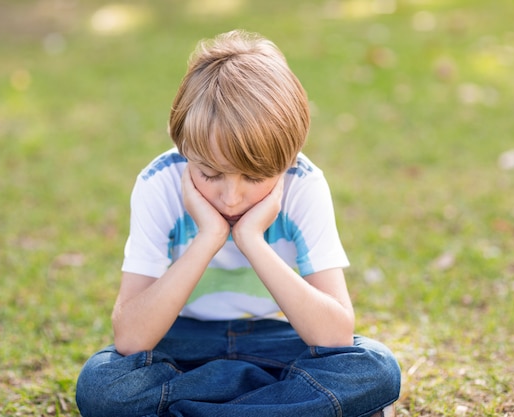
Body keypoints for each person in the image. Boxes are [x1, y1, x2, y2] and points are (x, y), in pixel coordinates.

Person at [76, 29, 401, 417]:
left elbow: (334, 336)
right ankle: (274, 405)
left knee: (374, 369)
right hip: (181, 343)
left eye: (253, 177)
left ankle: (196, 408)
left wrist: (251, 240)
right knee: (102, 383)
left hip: (276, 341)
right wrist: (209, 237)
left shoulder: (304, 186)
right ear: (184, 149)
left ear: (287, 159)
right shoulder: (158, 184)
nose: (231, 198)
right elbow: (131, 338)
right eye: (210, 175)